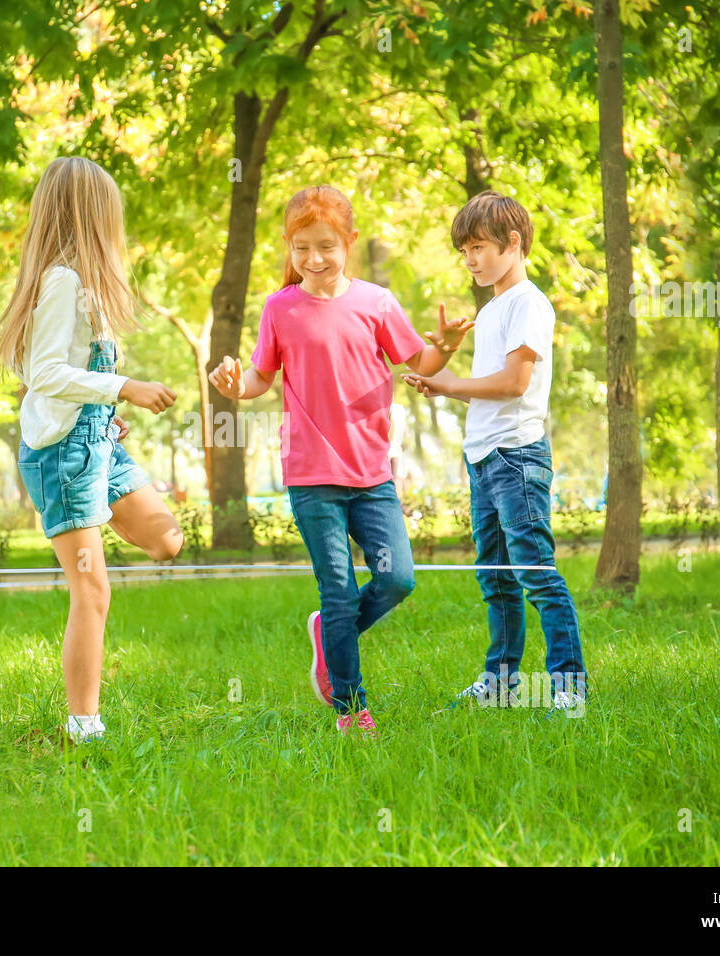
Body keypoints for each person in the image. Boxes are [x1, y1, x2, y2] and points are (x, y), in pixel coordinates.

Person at [209, 185, 473, 735]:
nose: (313, 259)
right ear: (289, 247)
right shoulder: (281, 307)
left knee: (397, 579)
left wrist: (445, 346)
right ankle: (351, 710)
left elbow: (418, 360)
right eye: (301, 247)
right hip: (310, 473)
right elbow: (261, 375)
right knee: (336, 586)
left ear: (349, 242)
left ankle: (329, 630)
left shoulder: (376, 302)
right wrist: (236, 387)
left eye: (326, 245)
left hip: (372, 471)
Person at [0, 157, 184, 744]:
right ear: (91, 217)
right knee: (92, 590)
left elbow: (63, 375)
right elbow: (46, 372)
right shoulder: (62, 282)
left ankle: (90, 520)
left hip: (97, 441)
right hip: (63, 457)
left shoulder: (85, 285)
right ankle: (84, 724)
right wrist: (125, 387)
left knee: (165, 539)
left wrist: (105, 410)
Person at [404, 190, 589, 713]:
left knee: (535, 573)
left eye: (479, 248)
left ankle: (568, 685)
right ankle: (503, 683)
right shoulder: (491, 311)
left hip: (517, 456)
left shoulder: (529, 303)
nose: (471, 261)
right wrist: (443, 360)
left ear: (513, 242)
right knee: (496, 577)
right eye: (464, 251)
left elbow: (513, 383)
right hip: (484, 457)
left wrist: (450, 385)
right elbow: (471, 377)